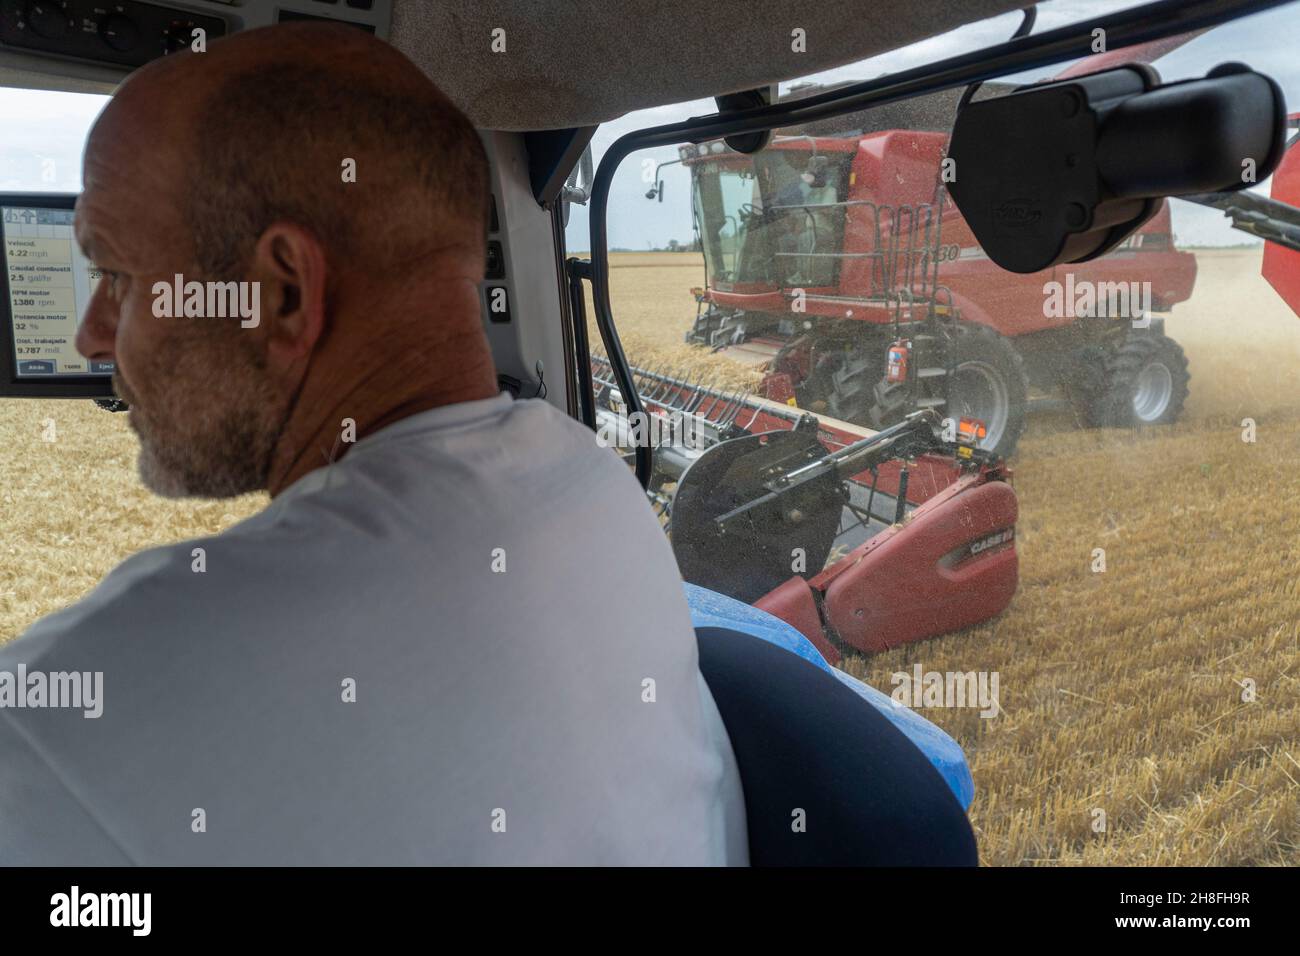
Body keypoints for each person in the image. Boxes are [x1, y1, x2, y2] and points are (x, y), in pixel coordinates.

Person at [0, 22, 747, 864]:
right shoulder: (596, 484)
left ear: (281, 294)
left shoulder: (76, 708)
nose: (90, 339)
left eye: (118, 279)